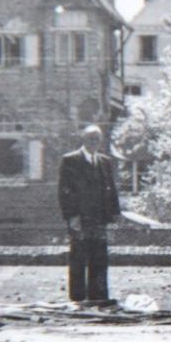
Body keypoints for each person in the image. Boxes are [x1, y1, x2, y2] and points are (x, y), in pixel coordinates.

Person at [58, 124, 121, 305]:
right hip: (80, 218)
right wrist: (72, 216)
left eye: (97, 139)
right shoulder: (70, 160)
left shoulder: (105, 161)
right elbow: (64, 190)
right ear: (83, 139)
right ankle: (78, 297)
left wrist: (114, 214)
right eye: (90, 138)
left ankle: (99, 296)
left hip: (100, 218)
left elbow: (111, 189)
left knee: (100, 258)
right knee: (78, 257)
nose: (94, 142)